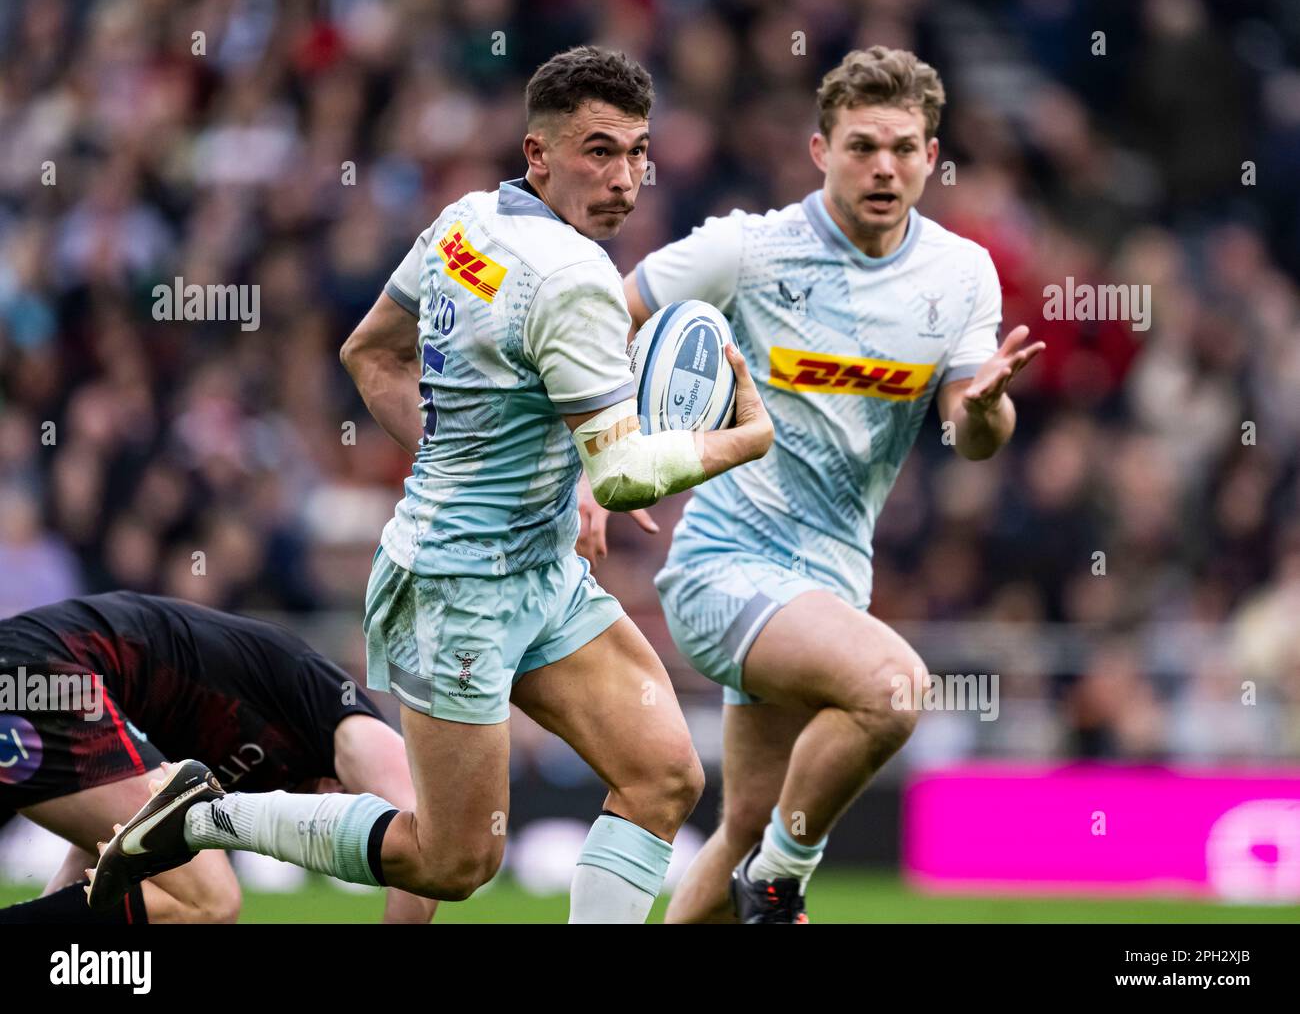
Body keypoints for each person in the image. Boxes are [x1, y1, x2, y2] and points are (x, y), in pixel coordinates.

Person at [87, 45, 774, 924]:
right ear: (538, 154)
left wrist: (469, 459)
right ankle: (206, 812)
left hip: (537, 572)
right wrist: (743, 437)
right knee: (451, 860)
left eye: (639, 152)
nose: (626, 177)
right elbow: (628, 474)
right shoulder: (577, 280)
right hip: (454, 589)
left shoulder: (464, 224)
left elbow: (369, 352)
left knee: (663, 775)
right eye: (598, 151)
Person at [599, 46, 1044, 922]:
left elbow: (973, 436)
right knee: (895, 688)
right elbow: (601, 322)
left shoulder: (960, 275)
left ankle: (759, 868)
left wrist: (987, 407)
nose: (884, 166)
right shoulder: (747, 249)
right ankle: (781, 883)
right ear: (819, 150)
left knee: (746, 824)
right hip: (723, 565)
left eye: (904, 147)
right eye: (862, 145)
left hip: (830, 585)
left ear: (930, 155)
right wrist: (594, 459)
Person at [0, 591, 437, 923]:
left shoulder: (212, 758)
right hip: (39, 677)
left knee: (166, 881)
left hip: (29, 680)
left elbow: (108, 854)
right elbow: (425, 839)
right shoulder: (337, 715)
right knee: (208, 898)